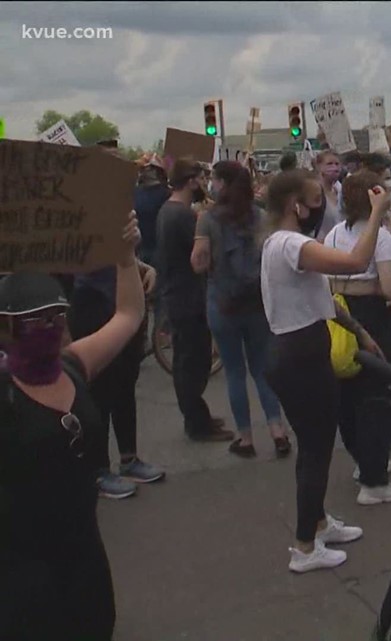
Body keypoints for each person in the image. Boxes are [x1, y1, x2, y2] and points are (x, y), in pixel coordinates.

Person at [1, 212, 145, 641]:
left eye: (56, 317)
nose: (50, 328)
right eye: (34, 321)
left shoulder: (74, 365)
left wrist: (125, 256)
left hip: (85, 553)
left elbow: (128, 314)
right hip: (20, 567)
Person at [260, 169, 387, 573]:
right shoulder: (290, 244)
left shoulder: (286, 245)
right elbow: (355, 261)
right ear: (294, 205)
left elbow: (323, 299)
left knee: (317, 444)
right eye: (317, 199)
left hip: (304, 351)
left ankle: (317, 522)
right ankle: (304, 546)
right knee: (315, 451)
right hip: (298, 356)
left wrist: (359, 331)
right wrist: (378, 211)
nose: (324, 206)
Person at [190, 160, 290, 459]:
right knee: (262, 370)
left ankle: (245, 438)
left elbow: (199, 262)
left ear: (221, 184)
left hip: (223, 303)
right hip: (257, 303)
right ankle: (278, 431)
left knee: (235, 372)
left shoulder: (208, 219)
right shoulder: (260, 216)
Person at [325, 170, 391, 504]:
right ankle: (375, 483)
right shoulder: (381, 237)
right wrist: (388, 283)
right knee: (377, 398)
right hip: (375, 319)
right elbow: (390, 287)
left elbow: (331, 279)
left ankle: (365, 462)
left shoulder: (333, 234)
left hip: (342, 314)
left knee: (348, 396)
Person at [69, 256, 164, 499]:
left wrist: (143, 267)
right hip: (90, 300)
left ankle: (129, 459)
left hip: (120, 299)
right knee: (98, 392)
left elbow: (115, 249)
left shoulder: (115, 220)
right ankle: (98, 470)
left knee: (125, 384)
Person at [155, 158, 231, 442]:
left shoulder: (171, 210)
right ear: (189, 181)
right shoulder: (182, 216)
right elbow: (203, 254)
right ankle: (197, 423)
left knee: (189, 362)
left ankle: (198, 416)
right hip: (187, 298)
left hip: (179, 295)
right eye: (200, 178)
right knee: (193, 364)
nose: (203, 183)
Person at [313, 151, 345, 242]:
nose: (334, 168)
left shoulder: (340, 191)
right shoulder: (314, 193)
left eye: (337, 164)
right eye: (329, 164)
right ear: (319, 167)